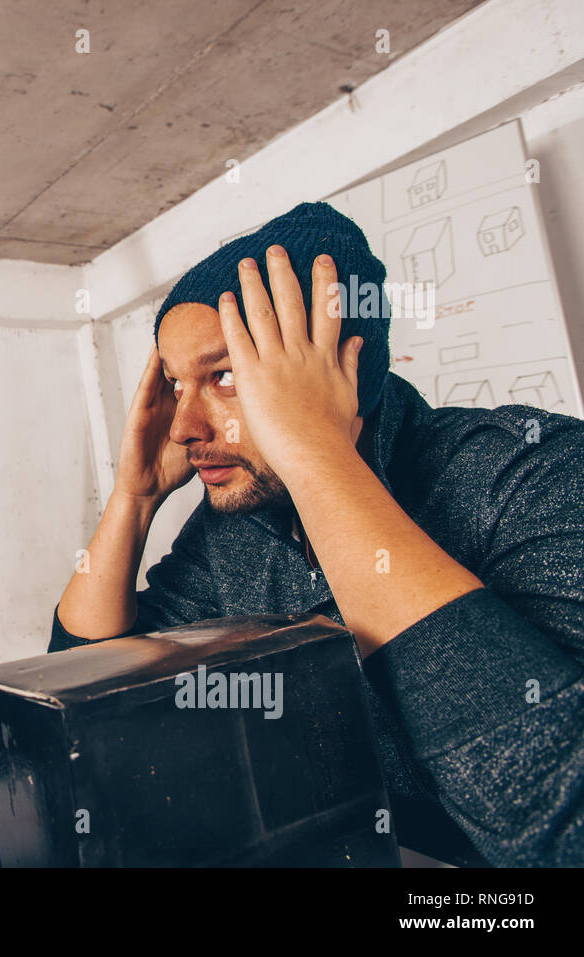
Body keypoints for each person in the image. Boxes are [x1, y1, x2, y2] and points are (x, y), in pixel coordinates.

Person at [53, 201, 584, 867]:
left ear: (336, 370)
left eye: (223, 374)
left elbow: (565, 825)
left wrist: (314, 452)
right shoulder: (234, 528)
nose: (184, 425)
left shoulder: (530, 473)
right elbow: (82, 700)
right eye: (173, 384)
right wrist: (132, 501)